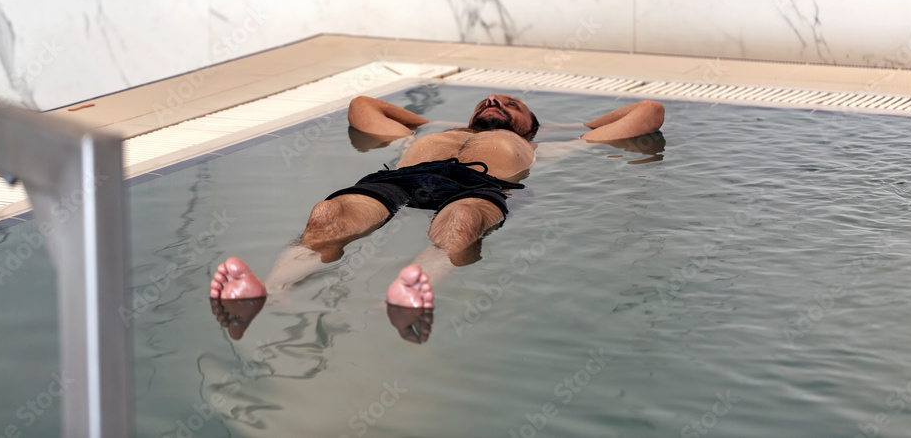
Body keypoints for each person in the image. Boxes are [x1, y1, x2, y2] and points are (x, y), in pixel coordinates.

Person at [209, 93, 664, 340]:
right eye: (486, 101)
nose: (493, 102)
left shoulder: (545, 146)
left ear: (531, 126)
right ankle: (271, 291)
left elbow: (649, 111)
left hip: (481, 185)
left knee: (461, 222)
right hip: (404, 177)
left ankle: (409, 294)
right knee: (329, 214)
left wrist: (571, 127)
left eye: (510, 104)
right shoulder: (428, 135)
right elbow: (362, 105)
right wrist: (431, 123)